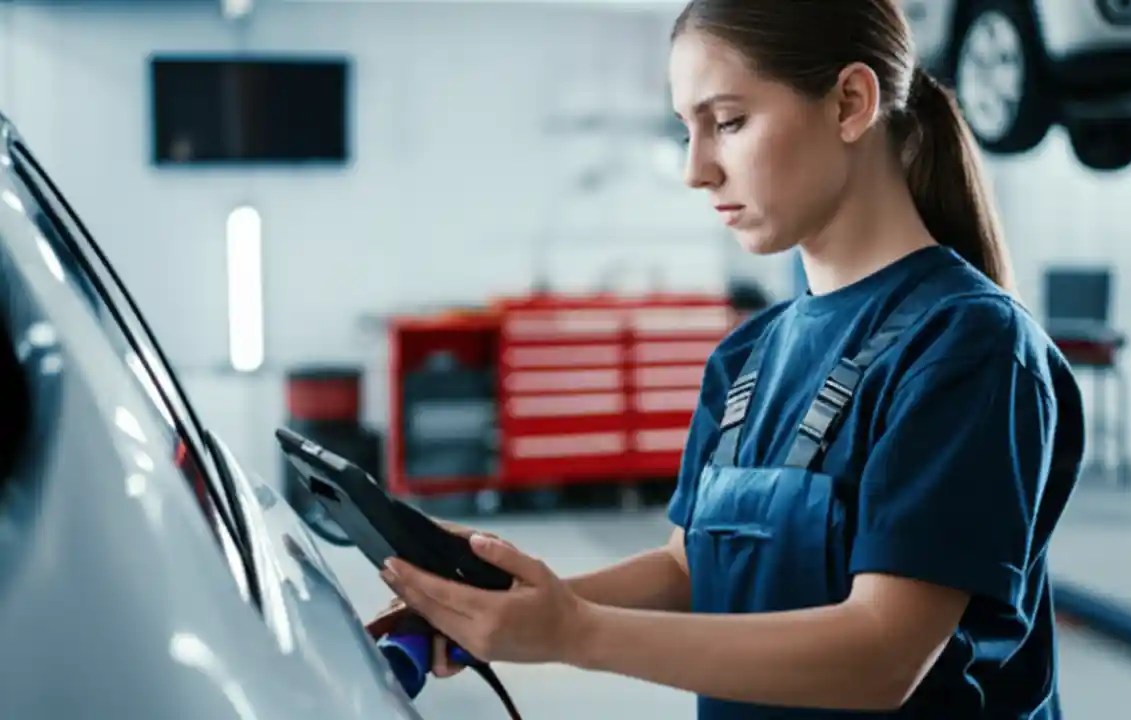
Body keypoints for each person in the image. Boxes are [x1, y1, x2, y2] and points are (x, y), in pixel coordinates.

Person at [371, 1, 1085, 717]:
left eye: (729, 122)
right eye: (688, 129)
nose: (695, 170)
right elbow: (691, 568)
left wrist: (576, 633)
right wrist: (505, 602)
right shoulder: (747, 355)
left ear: (850, 103)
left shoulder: (969, 348)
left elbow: (882, 654)